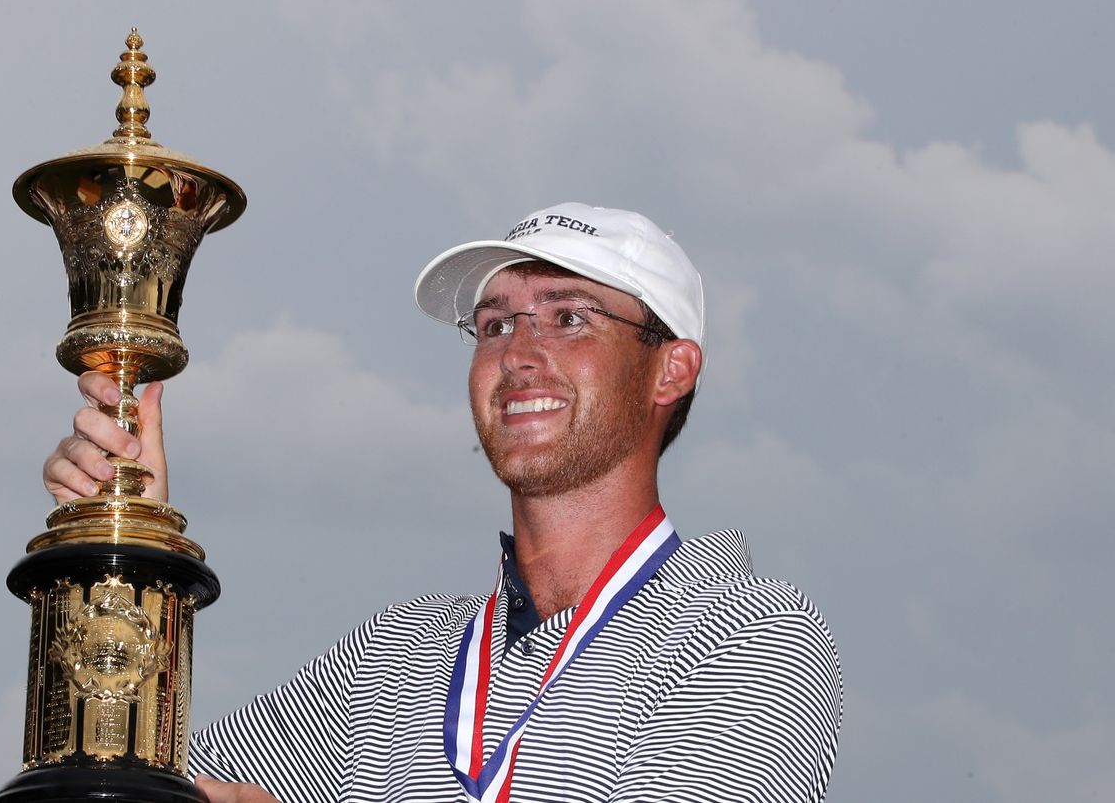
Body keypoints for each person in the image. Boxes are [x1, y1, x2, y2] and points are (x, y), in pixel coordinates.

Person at [44, 202, 845, 803]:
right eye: (494, 326)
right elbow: (142, 784)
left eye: (569, 317)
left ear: (670, 370)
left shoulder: (753, 634)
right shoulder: (391, 655)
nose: (520, 355)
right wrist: (130, 552)